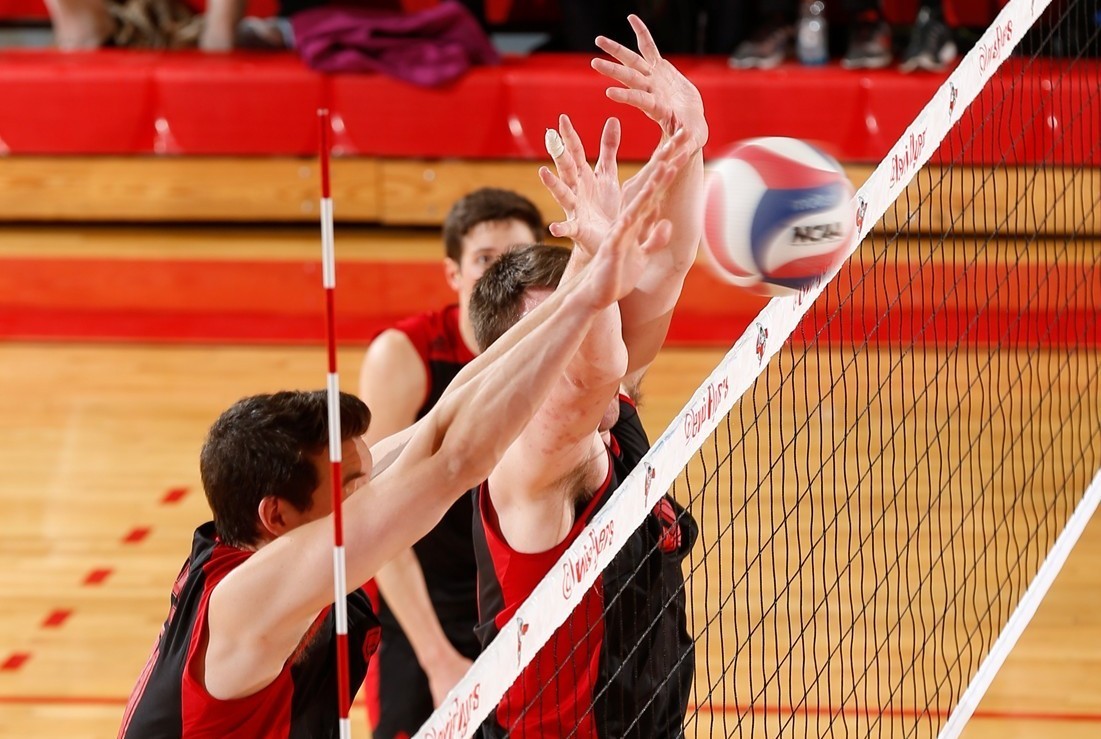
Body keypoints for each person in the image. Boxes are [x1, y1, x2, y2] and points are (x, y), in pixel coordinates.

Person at [117, 135, 687, 738]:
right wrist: (586, 294)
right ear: (277, 515)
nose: (372, 484)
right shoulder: (248, 599)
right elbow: (453, 462)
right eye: (352, 485)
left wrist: (584, 280)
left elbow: (438, 425)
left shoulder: (264, 548)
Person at [468, 15, 704, 737]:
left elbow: (666, 268)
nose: (582, 341)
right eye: (561, 326)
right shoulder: (534, 454)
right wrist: (597, 274)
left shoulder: (606, 399)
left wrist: (687, 136)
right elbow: (590, 366)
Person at [357, 188, 544, 739]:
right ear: (454, 273)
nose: (500, 275)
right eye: (485, 260)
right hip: (424, 597)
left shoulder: (555, 346)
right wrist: (438, 659)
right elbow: (375, 523)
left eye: (515, 259)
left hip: (521, 589)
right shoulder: (405, 355)